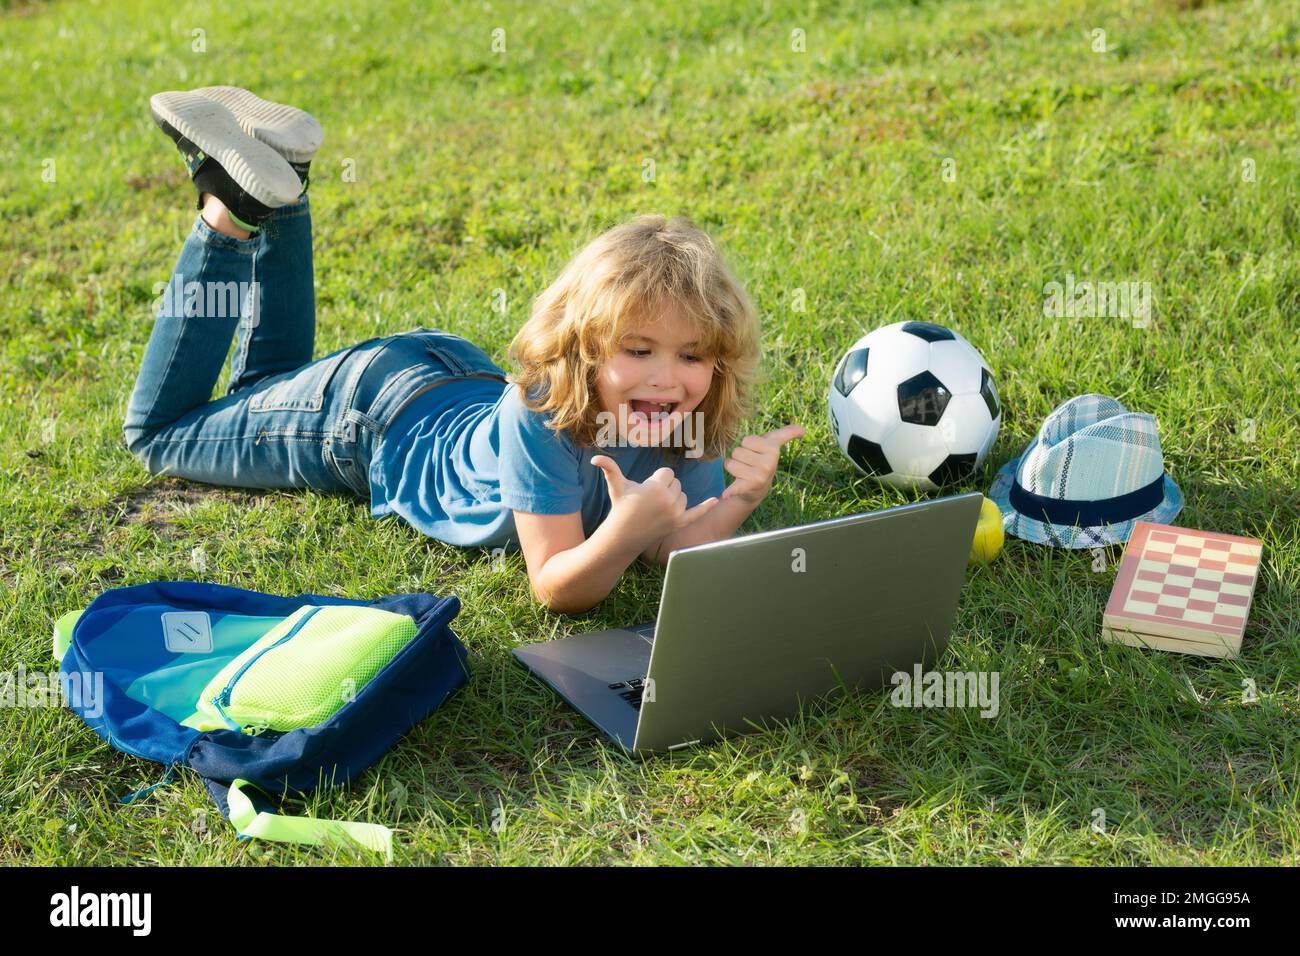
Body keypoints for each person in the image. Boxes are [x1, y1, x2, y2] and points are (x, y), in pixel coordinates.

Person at [124, 87, 805, 613]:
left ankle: (284, 178)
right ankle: (233, 211)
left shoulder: (692, 413)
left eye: (691, 356)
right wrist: (626, 530)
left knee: (265, 387)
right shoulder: (540, 415)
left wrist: (738, 500)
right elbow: (559, 585)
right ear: (584, 347)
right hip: (367, 417)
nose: (667, 378)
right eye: (640, 349)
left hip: (446, 379)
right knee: (158, 434)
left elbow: (669, 548)